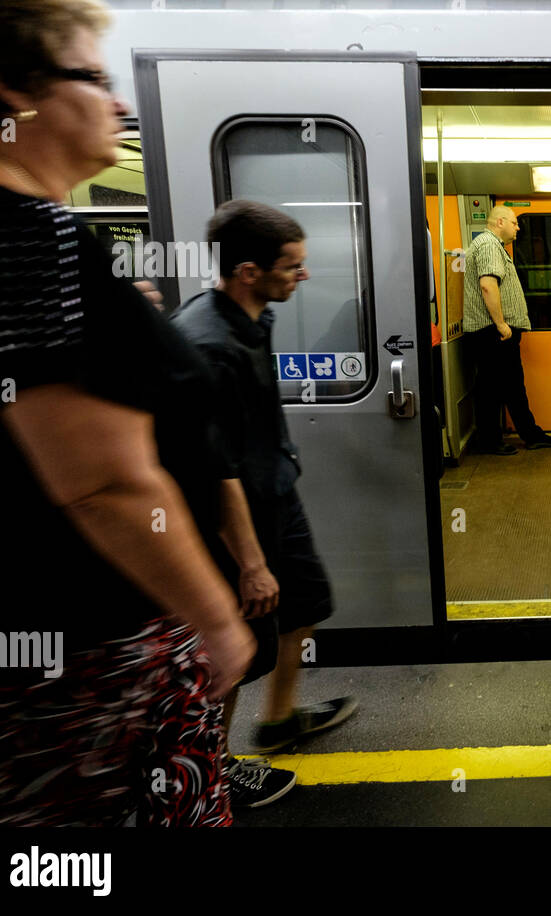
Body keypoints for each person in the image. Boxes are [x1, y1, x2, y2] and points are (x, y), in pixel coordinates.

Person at [0, 0, 252, 825]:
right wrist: (217, 622)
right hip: (81, 677)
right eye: (94, 77)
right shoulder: (25, 233)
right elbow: (102, 482)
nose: (119, 106)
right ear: (10, 83)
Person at [171, 200, 357, 808]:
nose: (303, 277)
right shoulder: (209, 345)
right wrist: (250, 564)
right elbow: (213, 471)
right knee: (235, 650)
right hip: (232, 519)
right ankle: (214, 769)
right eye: (292, 267)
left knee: (305, 604)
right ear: (248, 271)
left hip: (276, 493)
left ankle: (278, 722)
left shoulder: (254, 316)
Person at [462, 204, 551, 455]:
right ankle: (496, 440)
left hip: (493, 331)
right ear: (500, 223)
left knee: (506, 386)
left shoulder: (493, 246)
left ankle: (525, 434)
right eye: (515, 222)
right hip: (492, 332)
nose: (518, 227)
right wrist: (501, 324)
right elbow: (487, 285)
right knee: (495, 388)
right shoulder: (488, 245)